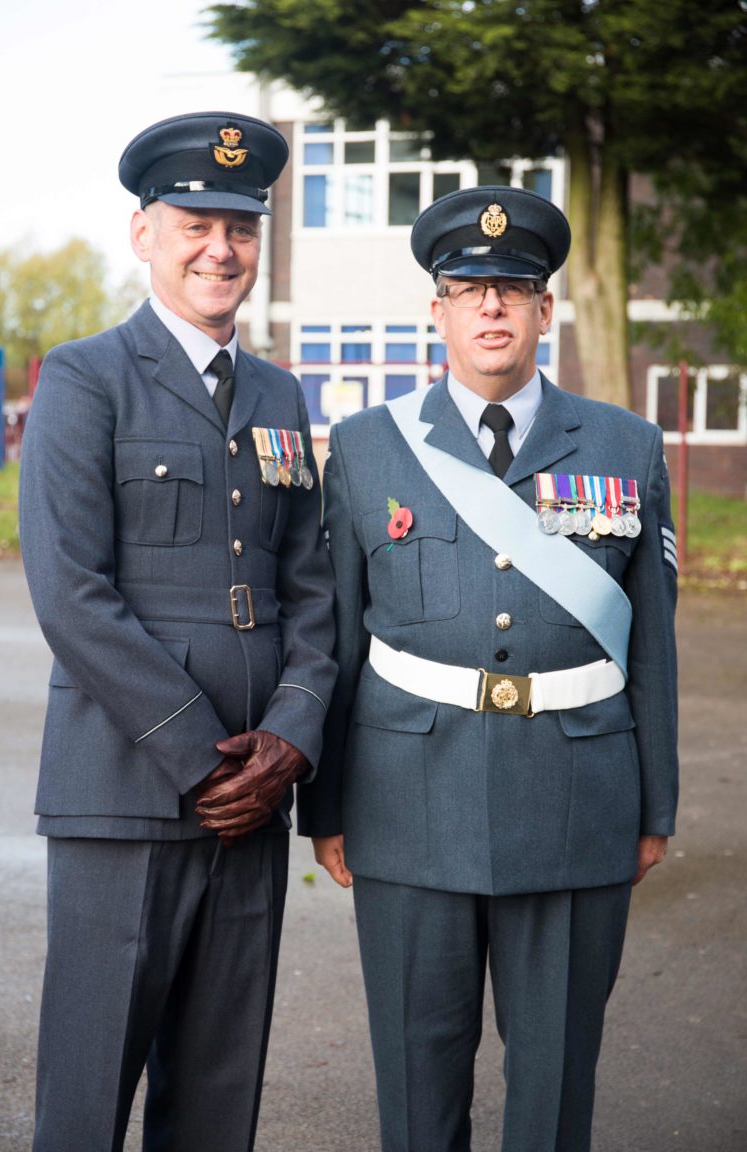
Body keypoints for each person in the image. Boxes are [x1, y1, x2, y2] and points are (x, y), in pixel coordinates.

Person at [299, 185, 678, 1152]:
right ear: (438, 309)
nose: (492, 307)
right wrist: (327, 806)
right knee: (418, 1086)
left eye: (514, 288)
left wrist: (654, 808)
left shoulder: (628, 447)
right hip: (406, 800)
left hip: (576, 796)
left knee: (553, 1090)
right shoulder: (366, 448)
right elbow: (339, 636)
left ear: (546, 309)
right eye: (469, 289)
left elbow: (654, 649)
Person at [19, 111, 336, 1152]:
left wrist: (289, 738)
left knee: (217, 1090)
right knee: (89, 1087)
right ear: (144, 232)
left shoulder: (283, 392)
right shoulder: (83, 376)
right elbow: (71, 590)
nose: (220, 248)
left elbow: (309, 588)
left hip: (255, 792)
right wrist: (203, 759)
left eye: (240, 228)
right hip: (128, 785)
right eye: (195, 222)